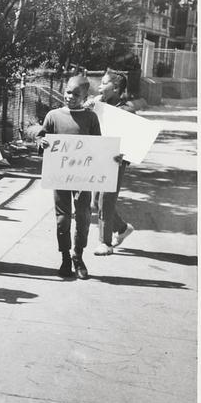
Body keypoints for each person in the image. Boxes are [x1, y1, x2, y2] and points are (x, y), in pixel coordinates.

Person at [37, 74, 103, 280]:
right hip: (60, 175)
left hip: (83, 177)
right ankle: (65, 256)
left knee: (83, 216)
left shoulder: (90, 118)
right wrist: (41, 142)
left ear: (85, 96)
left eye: (76, 94)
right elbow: (41, 135)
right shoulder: (53, 115)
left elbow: (99, 146)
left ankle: (78, 256)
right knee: (63, 218)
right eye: (68, 91)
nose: (70, 96)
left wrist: (112, 158)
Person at [91, 69, 135, 255]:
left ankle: (105, 242)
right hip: (100, 156)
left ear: (115, 88)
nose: (99, 86)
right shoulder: (99, 103)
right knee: (96, 201)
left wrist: (125, 155)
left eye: (103, 83)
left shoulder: (126, 110)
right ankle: (123, 228)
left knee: (106, 199)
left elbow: (135, 140)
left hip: (116, 160)